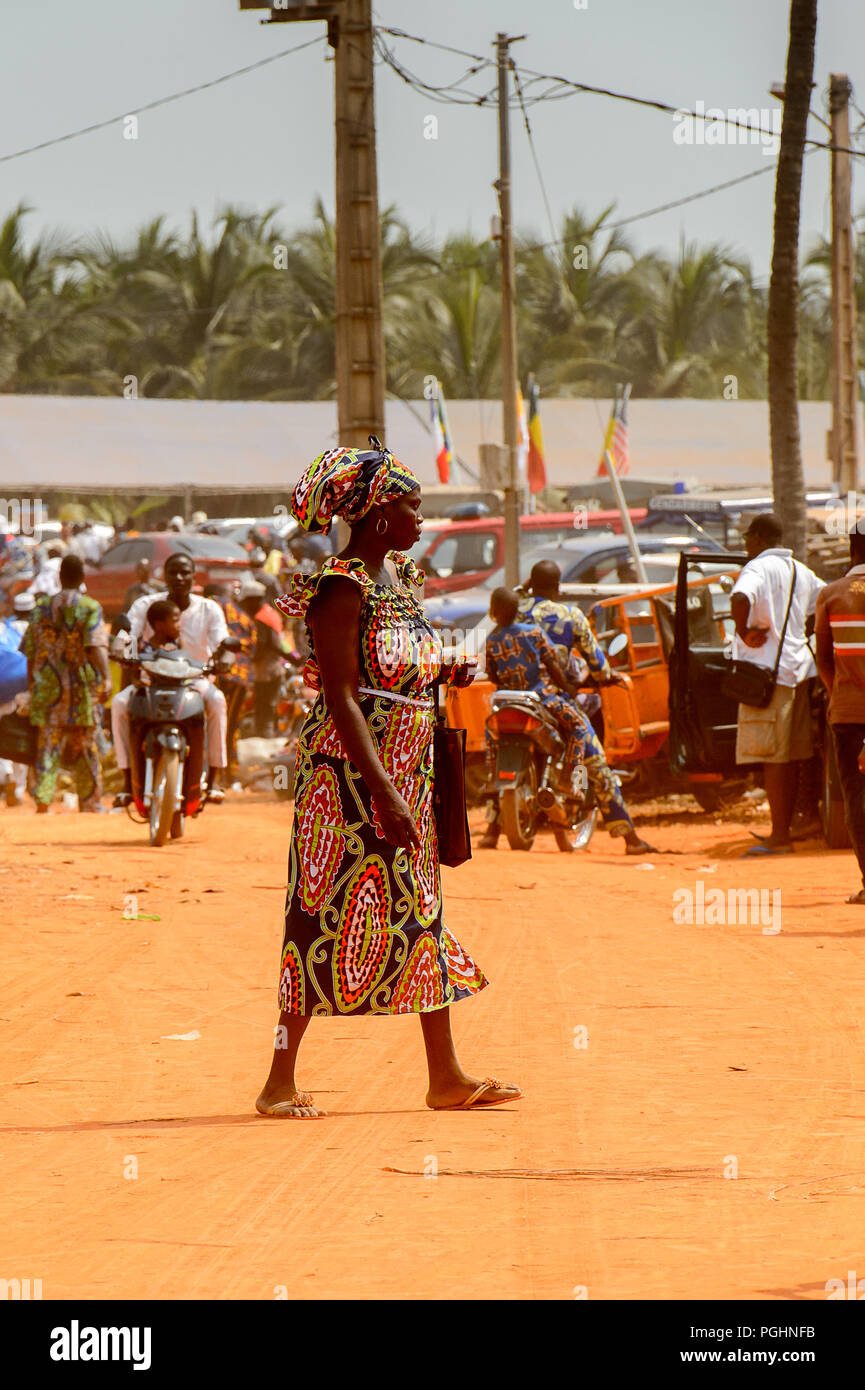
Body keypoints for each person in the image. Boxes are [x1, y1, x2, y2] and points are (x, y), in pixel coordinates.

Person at [256, 439, 520, 1119]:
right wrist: (382, 792)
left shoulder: (399, 580)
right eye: (410, 505)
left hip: (409, 772)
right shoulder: (340, 587)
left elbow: (400, 665)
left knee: (420, 915)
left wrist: (447, 669)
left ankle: (445, 1078)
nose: (420, 517)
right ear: (376, 517)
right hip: (347, 784)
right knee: (316, 920)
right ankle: (278, 1082)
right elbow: (342, 695)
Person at [481, 587, 657, 854]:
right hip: (545, 696)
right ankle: (625, 834)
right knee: (588, 747)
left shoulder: (494, 635)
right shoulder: (566, 616)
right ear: (556, 586)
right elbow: (590, 665)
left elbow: (491, 673)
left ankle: (492, 830)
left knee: (495, 739)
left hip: (507, 700)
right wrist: (581, 685)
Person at [730, 513, 824, 855]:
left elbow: (740, 599)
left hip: (769, 677)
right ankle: (797, 821)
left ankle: (779, 837)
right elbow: (823, 601)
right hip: (800, 673)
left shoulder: (756, 568)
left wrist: (743, 632)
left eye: (746, 537)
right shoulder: (801, 571)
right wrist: (804, 635)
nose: (744, 543)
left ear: (757, 537)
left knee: (774, 758)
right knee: (796, 754)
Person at [113, 553, 229, 806]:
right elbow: (128, 637)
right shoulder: (146, 605)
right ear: (163, 576)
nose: (179, 578)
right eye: (173, 572)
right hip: (150, 680)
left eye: (184, 572)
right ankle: (126, 779)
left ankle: (216, 777)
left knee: (218, 700)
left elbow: (222, 642)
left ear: (193, 576)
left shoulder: (209, 608)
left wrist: (225, 658)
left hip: (195, 680)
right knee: (119, 704)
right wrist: (121, 651)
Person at [21, 554, 110, 813]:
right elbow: (95, 647)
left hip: (47, 689)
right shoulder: (90, 607)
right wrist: (105, 678)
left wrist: (32, 686)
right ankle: (90, 802)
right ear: (83, 577)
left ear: (60, 578)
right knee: (85, 747)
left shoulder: (41, 609)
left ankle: (43, 800)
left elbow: (30, 651)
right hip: (81, 690)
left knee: (48, 746)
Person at [815, 524, 865, 902]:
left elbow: (824, 658)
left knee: (856, 797)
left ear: (852, 551)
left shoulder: (830, 595)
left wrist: (838, 696)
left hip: (848, 715)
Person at [202, 582, 256, 784]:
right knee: (231, 725)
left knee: (210, 725)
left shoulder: (207, 606)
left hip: (215, 673)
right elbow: (253, 648)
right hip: (240, 676)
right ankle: (228, 776)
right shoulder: (243, 615)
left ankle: (212, 776)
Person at [238, 576, 284, 738]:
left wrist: (250, 658)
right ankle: (267, 731)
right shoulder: (270, 613)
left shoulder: (261, 618)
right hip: (274, 666)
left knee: (264, 702)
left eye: (245, 602)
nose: (243, 606)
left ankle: (264, 733)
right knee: (269, 700)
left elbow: (264, 644)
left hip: (266, 668)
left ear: (253, 600)